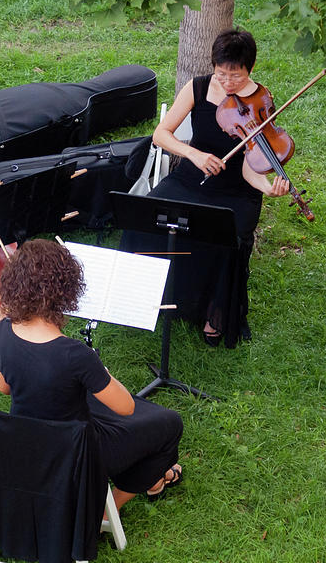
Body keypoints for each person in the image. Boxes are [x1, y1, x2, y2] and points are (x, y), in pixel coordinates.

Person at [120, 29, 289, 348]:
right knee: (142, 219)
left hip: (236, 189)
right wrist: (194, 154)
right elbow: (161, 134)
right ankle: (146, 296)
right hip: (192, 178)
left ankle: (215, 312)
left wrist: (269, 187)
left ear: (249, 69)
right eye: (221, 73)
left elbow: (252, 166)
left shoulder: (260, 102)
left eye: (235, 76)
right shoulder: (197, 87)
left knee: (225, 237)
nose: (227, 82)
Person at [0, 239, 184, 511]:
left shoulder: (3, 331)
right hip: (76, 456)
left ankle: (151, 480)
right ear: (64, 291)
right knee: (169, 423)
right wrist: (100, 370)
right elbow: (126, 407)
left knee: (95, 405)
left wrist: (0, 321)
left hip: (31, 446)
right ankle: (107, 510)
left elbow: (4, 387)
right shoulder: (75, 355)